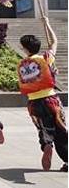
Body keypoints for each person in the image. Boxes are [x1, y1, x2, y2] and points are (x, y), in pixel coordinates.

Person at [17, 16, 67, 172]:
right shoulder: (45, 57)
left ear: (25, 49)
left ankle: (46, 144)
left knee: (42, 128)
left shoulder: (21, 64)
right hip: (51, 99)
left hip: (33, 103)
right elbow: (54, 42)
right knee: (60, 131)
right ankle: (67, 160)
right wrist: (47, 23)